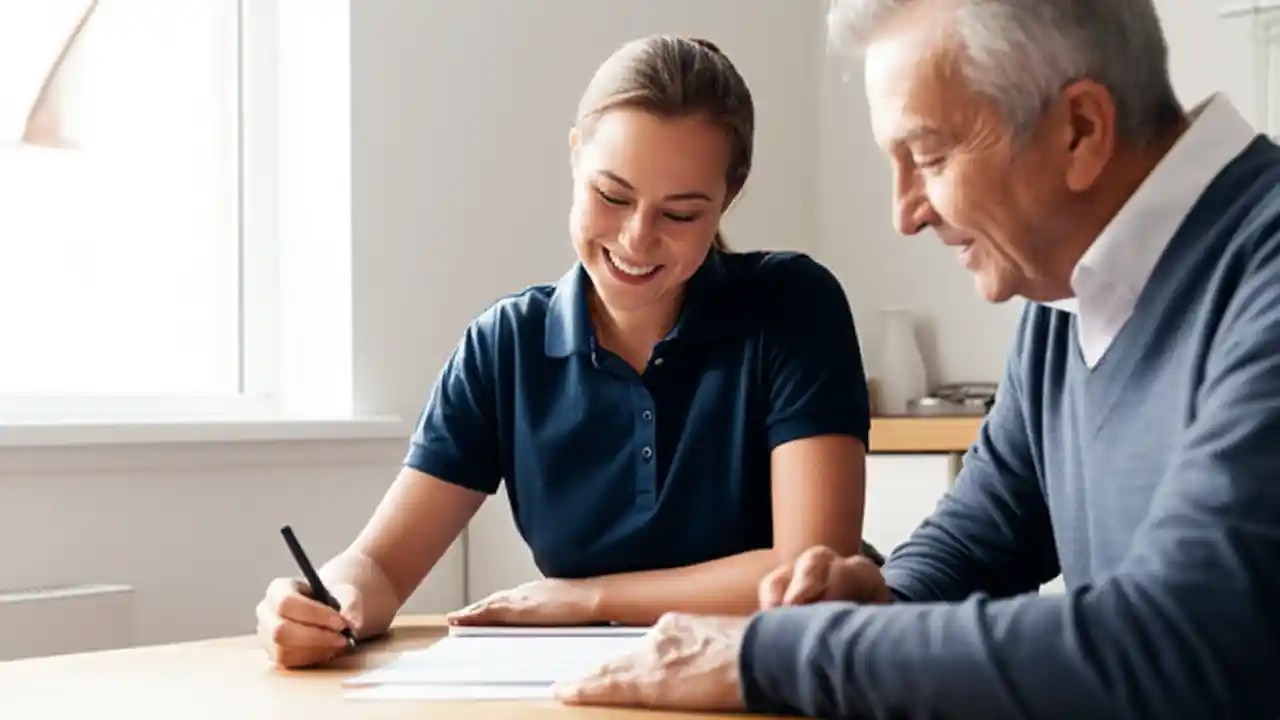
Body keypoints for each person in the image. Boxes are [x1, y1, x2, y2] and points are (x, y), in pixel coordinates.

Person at [554, 1, 1280, 718]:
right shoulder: (1068, 299)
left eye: (928, 157)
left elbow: (1195, 634)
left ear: (1080, 129)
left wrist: (769, 658)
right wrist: (881, 601)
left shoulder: (1263, 270)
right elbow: (979, 538)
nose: (905, 213)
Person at [255, 34, 874, 669]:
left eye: (682, 214)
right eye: (612, 196)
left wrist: (586, 598)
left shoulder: (792, 304)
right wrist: (321, 601)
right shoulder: (506, 346)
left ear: (729, 196)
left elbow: (810, 567)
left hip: (776, 680)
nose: (638, 238)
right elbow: (381, 568)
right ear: (576, 157)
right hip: (599, 689)